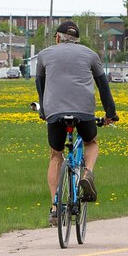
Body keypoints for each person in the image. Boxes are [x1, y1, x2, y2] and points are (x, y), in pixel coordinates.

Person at [35, 20, 118, 226]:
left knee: (56, 155)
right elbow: (103, 85)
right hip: (84, 111)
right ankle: (87, 173)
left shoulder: (44, 55)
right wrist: (110, 113)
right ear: (77, 39)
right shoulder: (91, 55)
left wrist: (44, 111)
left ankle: (55, 207)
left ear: (57, 37)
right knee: (91, 142)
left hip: (55, 112)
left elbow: (40, 84)